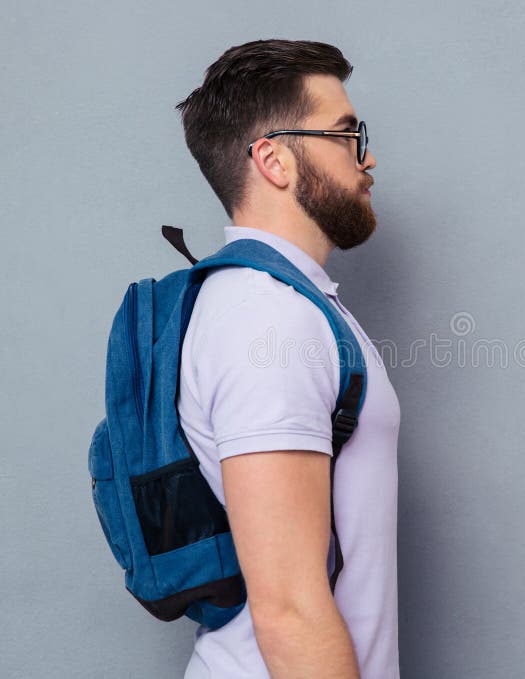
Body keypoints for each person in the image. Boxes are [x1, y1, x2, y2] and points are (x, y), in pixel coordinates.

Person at [174, 39, 401, 678]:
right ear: (275, 159)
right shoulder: (267, 317)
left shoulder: (291, 305)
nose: (368, 157)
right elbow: (289, 608)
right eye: (345, 134)